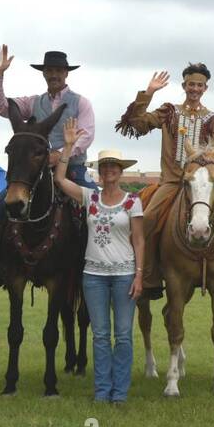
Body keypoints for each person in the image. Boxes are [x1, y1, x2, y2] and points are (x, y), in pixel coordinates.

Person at [115, 65, 214, 303]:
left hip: (205, 183)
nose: (195, 89)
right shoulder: (169, 112)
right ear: (184, 86)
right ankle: (150, 280)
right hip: (171, 182)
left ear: (205, 88)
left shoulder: (213, 119)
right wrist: (149, 92)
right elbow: (136, 123)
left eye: (199, 85)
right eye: (191, 84)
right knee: (148, 220)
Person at [0, 44, 95, 287]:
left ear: (66, 73)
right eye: (49, 70)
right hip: (37, 172)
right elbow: (0, 106)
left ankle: (91, 266)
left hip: (73, 170)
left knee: (95, 206)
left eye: (58, 70)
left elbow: (87, 135)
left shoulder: (81, 103)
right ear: (44, 74)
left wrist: (60, 155)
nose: (54, 75)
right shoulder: (33, 102)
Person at [54, 119, 144, 404]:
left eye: (114, 168)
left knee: (124, 336)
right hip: (93, 275)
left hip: (125, 275)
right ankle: (102, 391)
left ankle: (120, 393)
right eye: (105, 168)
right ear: (100, 173)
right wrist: (67, 147)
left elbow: (139, 241)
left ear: (120, 172)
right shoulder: (90, 197)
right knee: (101, 336)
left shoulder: (133, 202)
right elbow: (60, 180)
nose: (109, 172)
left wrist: (140, 275)